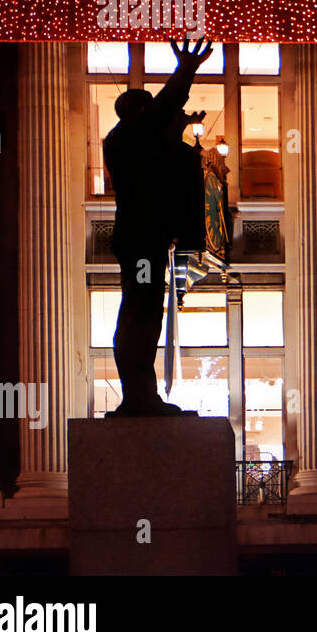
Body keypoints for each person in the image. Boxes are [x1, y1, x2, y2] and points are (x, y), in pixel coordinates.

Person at [103, 37, 213, 416]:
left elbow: (170, 154)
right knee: (141, 311)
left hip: (144, 240)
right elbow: (164, 109)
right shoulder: (129, 136)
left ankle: (140, 394)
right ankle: (138, 396)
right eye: (152, 112)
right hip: (142, 242)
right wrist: (186, 70)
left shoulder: (132, 141)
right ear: (140, 114)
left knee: (144, 310)